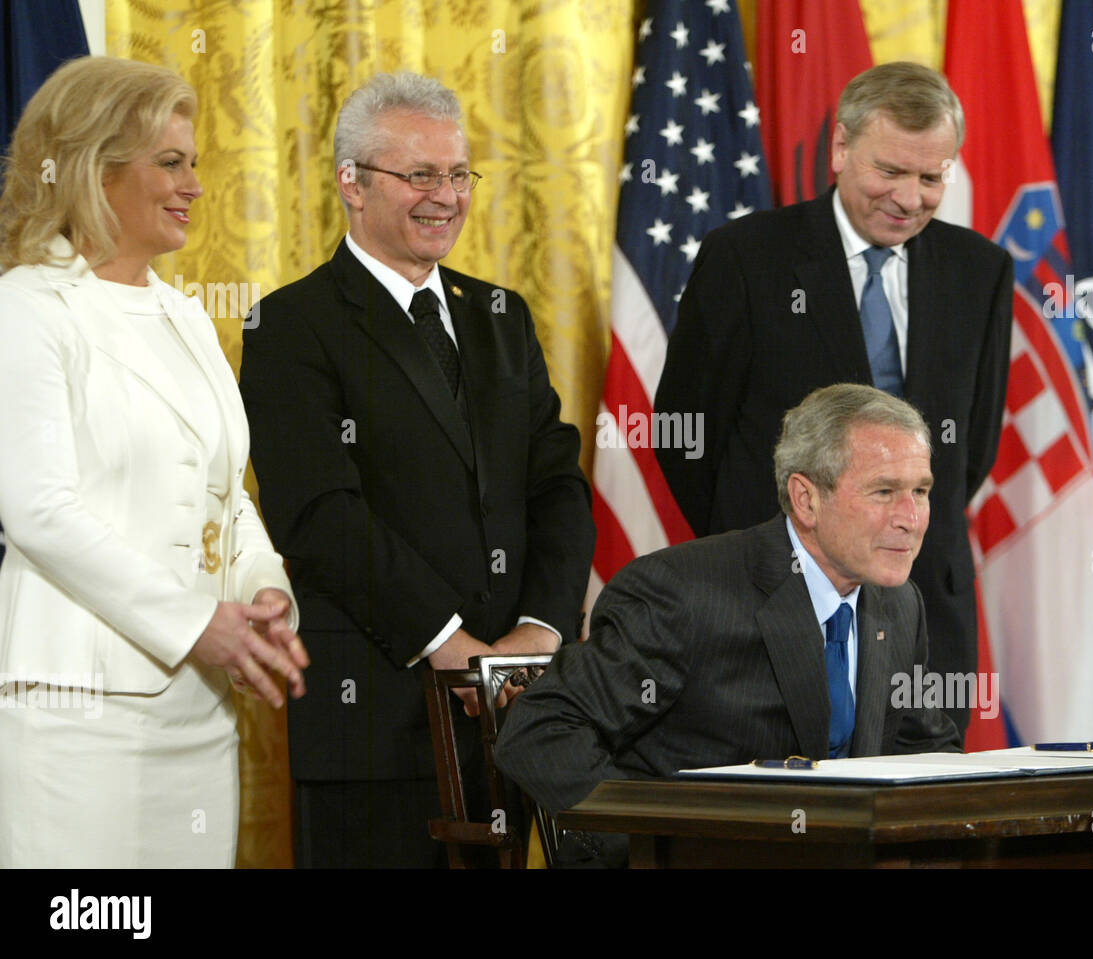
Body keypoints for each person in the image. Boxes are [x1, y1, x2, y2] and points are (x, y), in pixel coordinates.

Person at [239, 72, 595, 868]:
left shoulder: (502, 315)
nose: (447, 196)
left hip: (518, 715)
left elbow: (558, 486)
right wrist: (451, 642)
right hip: (375, 722)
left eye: (459, 173)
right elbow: (318, 512)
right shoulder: (291, 325)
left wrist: (535, 631)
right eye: (420, 175)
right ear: (351, 184)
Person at [0, 56, 307, 868]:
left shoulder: (184, 315)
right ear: (93, 172)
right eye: (170, 163)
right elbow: (37, 508)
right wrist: (195, 622)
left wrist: (261, 588)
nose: (194, 185)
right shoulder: (26, 307)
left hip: (197, 714)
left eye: (194, 162)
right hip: (76, 716)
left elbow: (226, 493)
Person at [653, 62, 1012, 737]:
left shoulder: (980, 269)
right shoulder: (746, 258)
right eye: (891, 171)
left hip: (926, 602)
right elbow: (682, 431)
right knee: (780, 820)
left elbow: (972, 445)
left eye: (932, 177)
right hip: (767, 601)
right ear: (841, 150)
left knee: (923, 821)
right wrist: (763, 541)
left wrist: (891, 531)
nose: (911, 198)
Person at [496, 384, 962, 856]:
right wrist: (646, 848)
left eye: (920, 491)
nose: (911, 517)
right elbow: (543, 728)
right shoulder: (682, 593)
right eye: (884, 491)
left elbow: (921, 746)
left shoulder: (899, 605)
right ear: (805, 499)